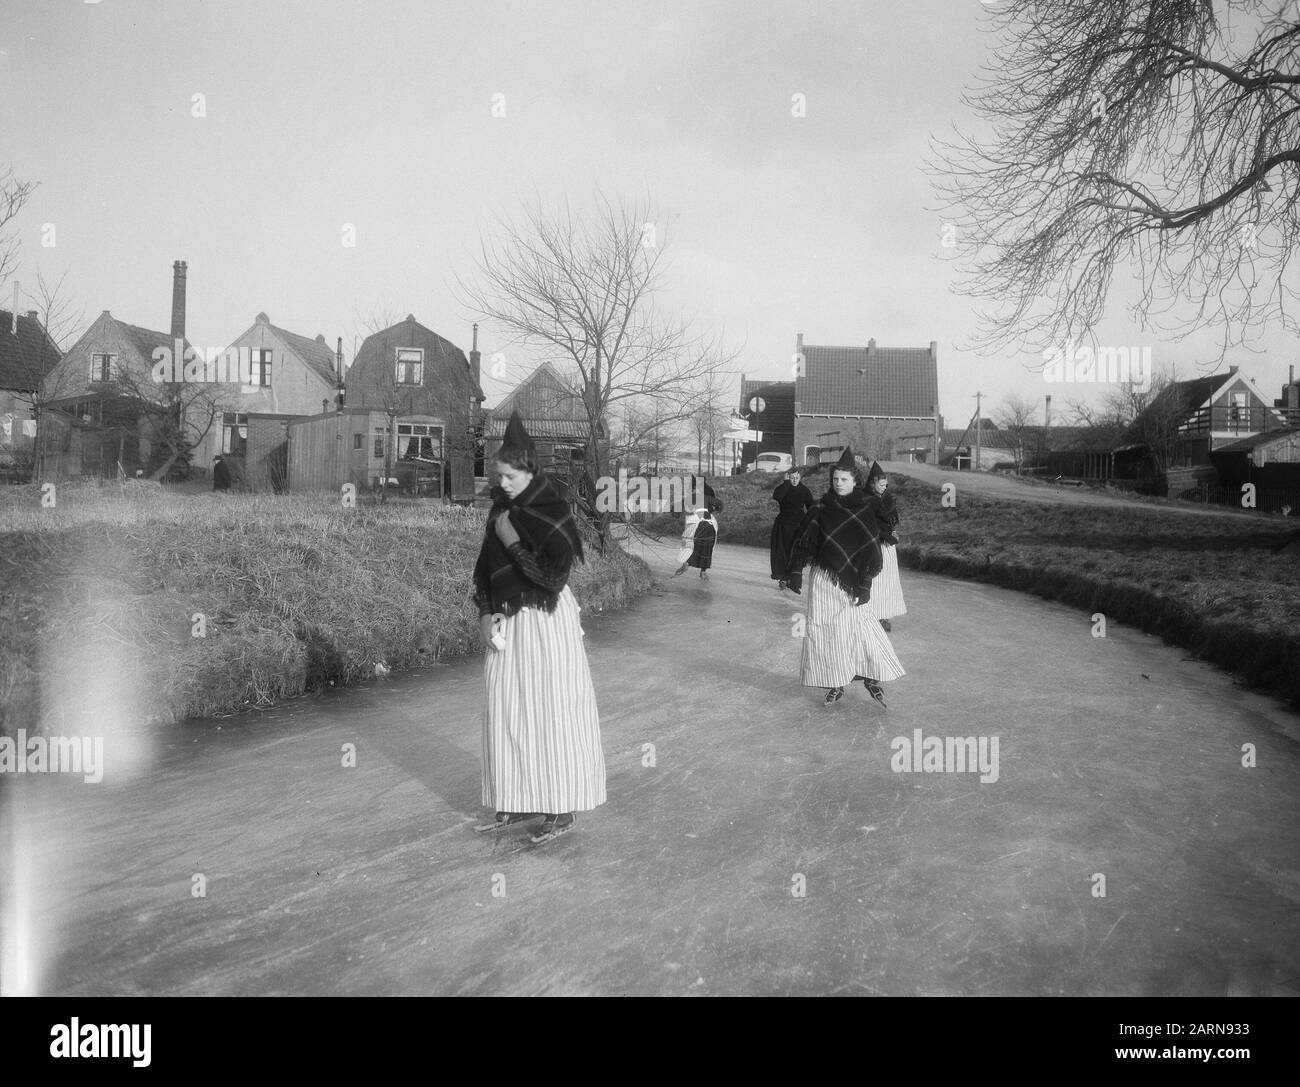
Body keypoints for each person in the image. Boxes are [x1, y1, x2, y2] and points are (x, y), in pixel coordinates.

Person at [471, 411, 606, 843]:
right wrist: (485, 612)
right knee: (507, 712)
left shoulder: (553, 512)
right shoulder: (501, 511)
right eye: (499, 476)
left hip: (547, 624)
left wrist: (512, 540)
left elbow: (551, 578)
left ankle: (560, 808)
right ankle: (513, 798)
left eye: (510, 477)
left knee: (550, 713)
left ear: (530, 471)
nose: (503, 484)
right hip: (508, 625)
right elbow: (483, 572)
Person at [785, 447, 905, 708]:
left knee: (861, 627)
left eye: (844, 479)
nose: (838, 483)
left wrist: (865, 584)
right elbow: (803, 539)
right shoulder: (821, 507)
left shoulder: (864, 509)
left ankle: (872, 676)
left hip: (854, 583)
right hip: (824, 580)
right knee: (825, 630)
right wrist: (795, 570)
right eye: (835, 479)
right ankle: (835, 682)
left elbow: (871, 552)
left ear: (854, 482)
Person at [863, 461, 906, 632]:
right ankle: (870, 614)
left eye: (885, 485)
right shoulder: (865, 499)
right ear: (872, 483)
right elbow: (868, 524)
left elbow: (891, 519)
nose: (884, 488)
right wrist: (885, 535)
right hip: (873, 546)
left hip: (887, 547)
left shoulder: (887, 498)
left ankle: (884, 615)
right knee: (875, 580)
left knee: (888, 581)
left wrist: (893, 532)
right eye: (881, 485)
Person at [769, 467, 814, 587]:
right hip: (782, 525)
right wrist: (785, 483)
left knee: (795, 552)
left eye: (796, 478)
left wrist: (811, 522)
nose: (794, 480)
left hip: (798, 526)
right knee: (781, 552)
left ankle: (792, 577)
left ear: (800, 477)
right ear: (788, 477)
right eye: (792, 478)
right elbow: (777, 496)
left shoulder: (804, 490)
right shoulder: (784, 488)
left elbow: (811, 507)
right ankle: (783, 577)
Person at [672, 506, 718, 580]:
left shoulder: (691, 513)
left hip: (701, 527)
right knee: (707, 550)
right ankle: (703, 572)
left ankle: (686, 564)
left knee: (694, 547)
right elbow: (715, 526)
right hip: (711, 529)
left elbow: (687, 533)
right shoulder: (709, 514)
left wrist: (683, 543)